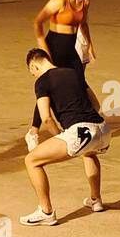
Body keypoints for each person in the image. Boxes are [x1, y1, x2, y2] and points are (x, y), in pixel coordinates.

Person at [21, 48, 111, 226]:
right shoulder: (73, 73)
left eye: (32, 72)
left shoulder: (42, 81)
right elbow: (96, 103)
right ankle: (96, 199)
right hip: (103, 129)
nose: (34, 76)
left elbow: (46, 117)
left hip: (80, 132)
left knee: (31, 161)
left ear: (34, 65)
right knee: (89, 152)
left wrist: (62, 136)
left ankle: (46, 212)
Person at [28, 0, 98, 148]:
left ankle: (90, 118)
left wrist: (90, 46)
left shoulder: (84, 2)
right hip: (54, 47)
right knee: (49, 87)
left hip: (71, 49)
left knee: (79, 82)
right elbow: (37, 21)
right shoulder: (59, 1)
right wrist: (43, 45)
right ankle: (33, 131)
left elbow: (83, 25)